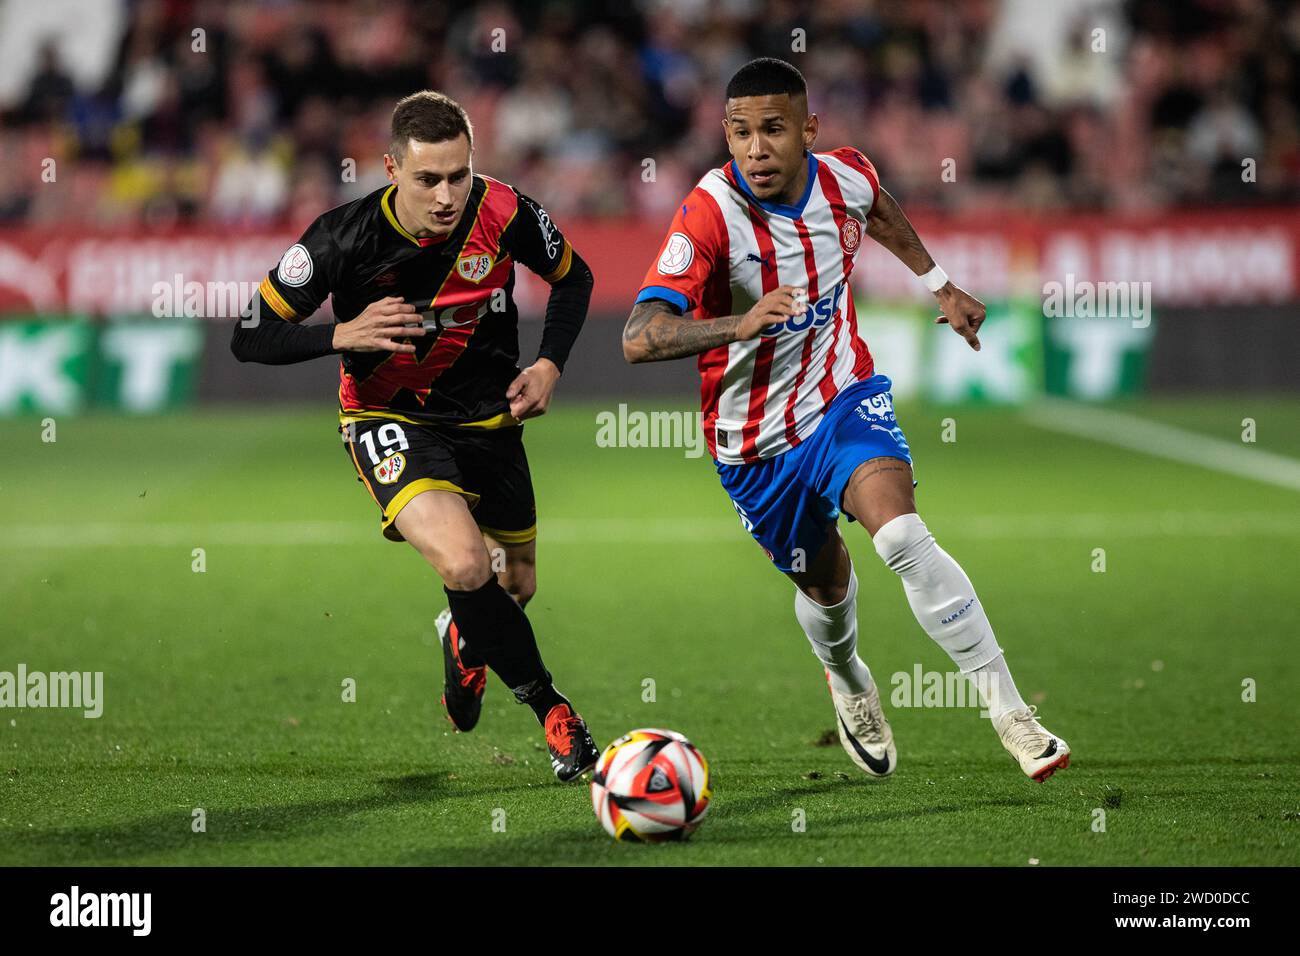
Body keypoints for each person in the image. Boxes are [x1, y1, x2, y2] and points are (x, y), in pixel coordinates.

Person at [623, 58, 1069, 782]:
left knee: (901, 534)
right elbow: (638, 336)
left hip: (841, 397)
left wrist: (940, 284)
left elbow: (881, 208)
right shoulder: (708, 213)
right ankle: (849, 679)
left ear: (809, 130)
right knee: (826, 590)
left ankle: (1012, 715)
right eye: (740, 133)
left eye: (773, 130)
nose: (756, 148)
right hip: (754, 444)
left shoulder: (846, 177)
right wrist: (736, 326)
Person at [232, 90, 600, 781]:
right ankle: (556, 714)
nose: (446, 195)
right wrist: (339, 334)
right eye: (428, 178)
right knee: (466, 566)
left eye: (458, 175)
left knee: (512, 584)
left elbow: (573, 277)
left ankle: (466, 636)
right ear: (391, 168)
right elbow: (248, 335)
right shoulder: (340, 238)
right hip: (388, 419)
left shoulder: (505, 211)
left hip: (491, 422)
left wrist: (551, 362)